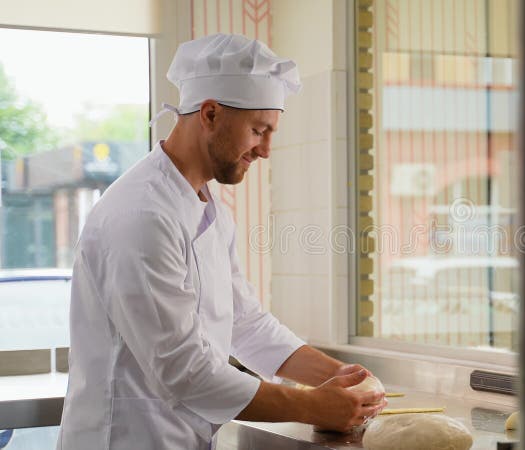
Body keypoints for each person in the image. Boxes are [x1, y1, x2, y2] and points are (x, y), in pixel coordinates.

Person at [57, 33, 386, 450]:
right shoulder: (142, 215)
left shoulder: (208, 209)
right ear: (210, 113)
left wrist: (339, 376)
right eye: (258, 130)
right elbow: (182, 369)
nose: (265, 150)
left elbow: (245, 323)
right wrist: (314, 407)